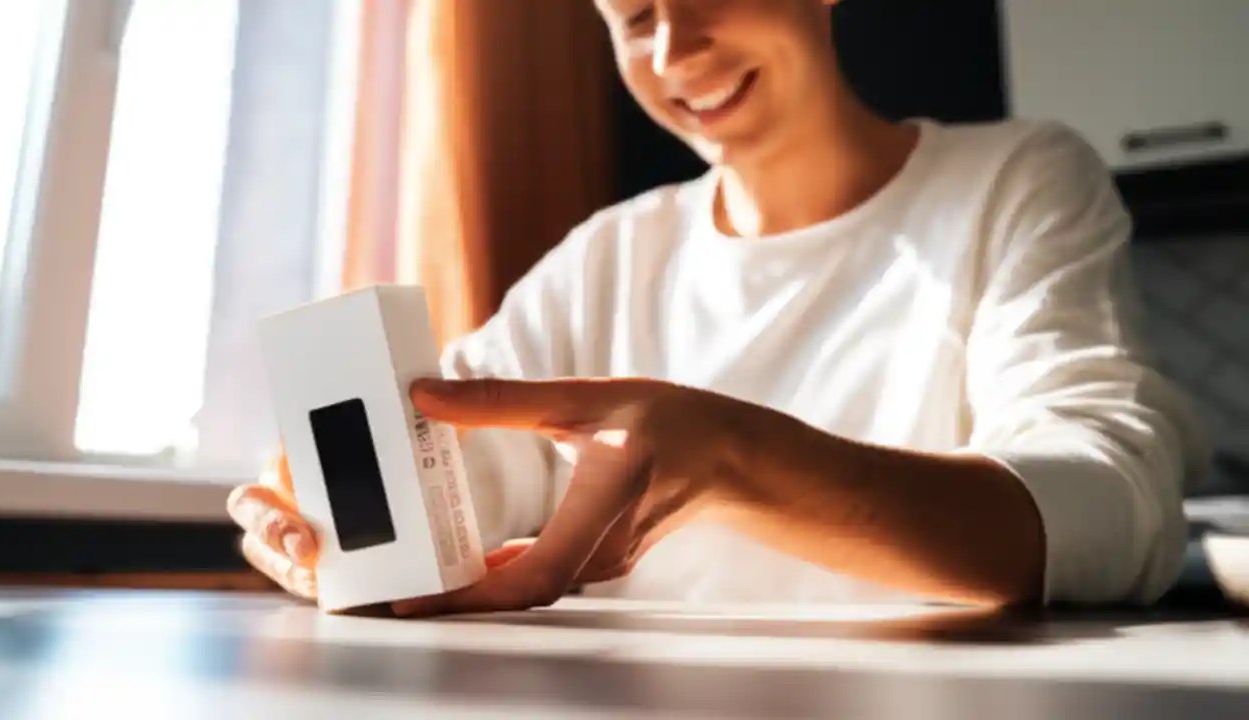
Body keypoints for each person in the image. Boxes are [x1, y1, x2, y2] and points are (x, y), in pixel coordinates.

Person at [227, 0, 1208, 615]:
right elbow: (478, 464)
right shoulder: (611, 253)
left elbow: (1109, 505)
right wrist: (328, 517)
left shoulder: (1012, 180)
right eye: (632, 17)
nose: (675, 47)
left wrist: (735, 456)